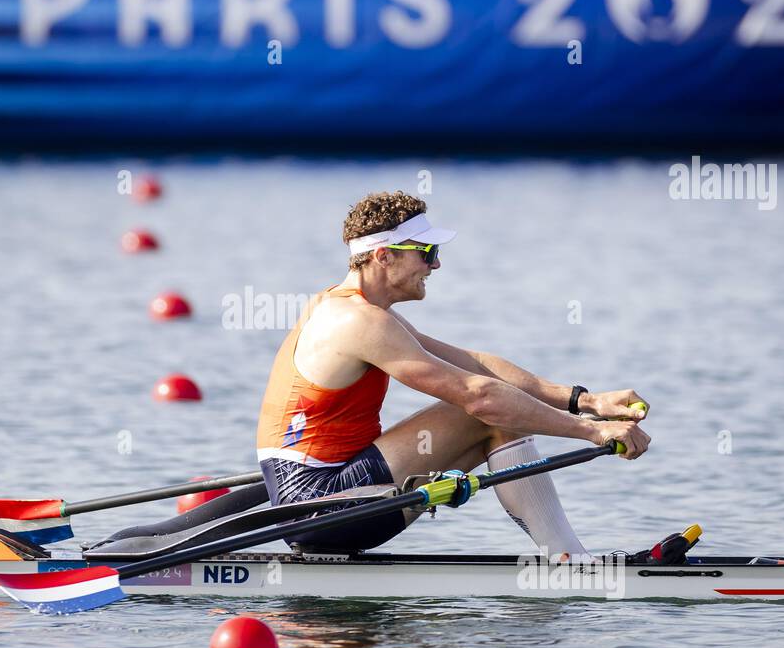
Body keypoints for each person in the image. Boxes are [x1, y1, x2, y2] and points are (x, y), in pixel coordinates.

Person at [255, 190, 650, 559]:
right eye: (426, 252)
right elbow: (479, 396)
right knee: (484, 411)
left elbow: (475, 365)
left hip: (321, 495)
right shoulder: (355, 321)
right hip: (318, 507)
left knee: (496, 405)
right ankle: (571, 563)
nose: (436, 264)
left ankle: (567, 559)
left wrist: (587, 402)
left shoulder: (357, 311)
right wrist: (593, 432)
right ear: (383, 256)